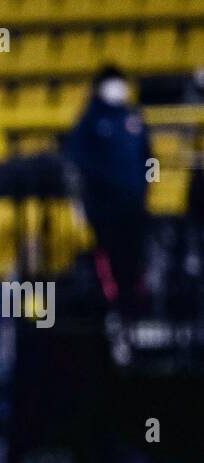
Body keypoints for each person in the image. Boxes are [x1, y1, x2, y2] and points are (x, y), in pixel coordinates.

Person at [63, 65, 152, 321]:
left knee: (133, 262)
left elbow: (147, 157)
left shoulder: (133, 119)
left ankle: (133, 311)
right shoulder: (90, 121)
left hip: (133, 207)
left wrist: (143, 189)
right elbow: (78, 160)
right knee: (106, 262)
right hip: (104, 211)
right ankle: (108, 311)